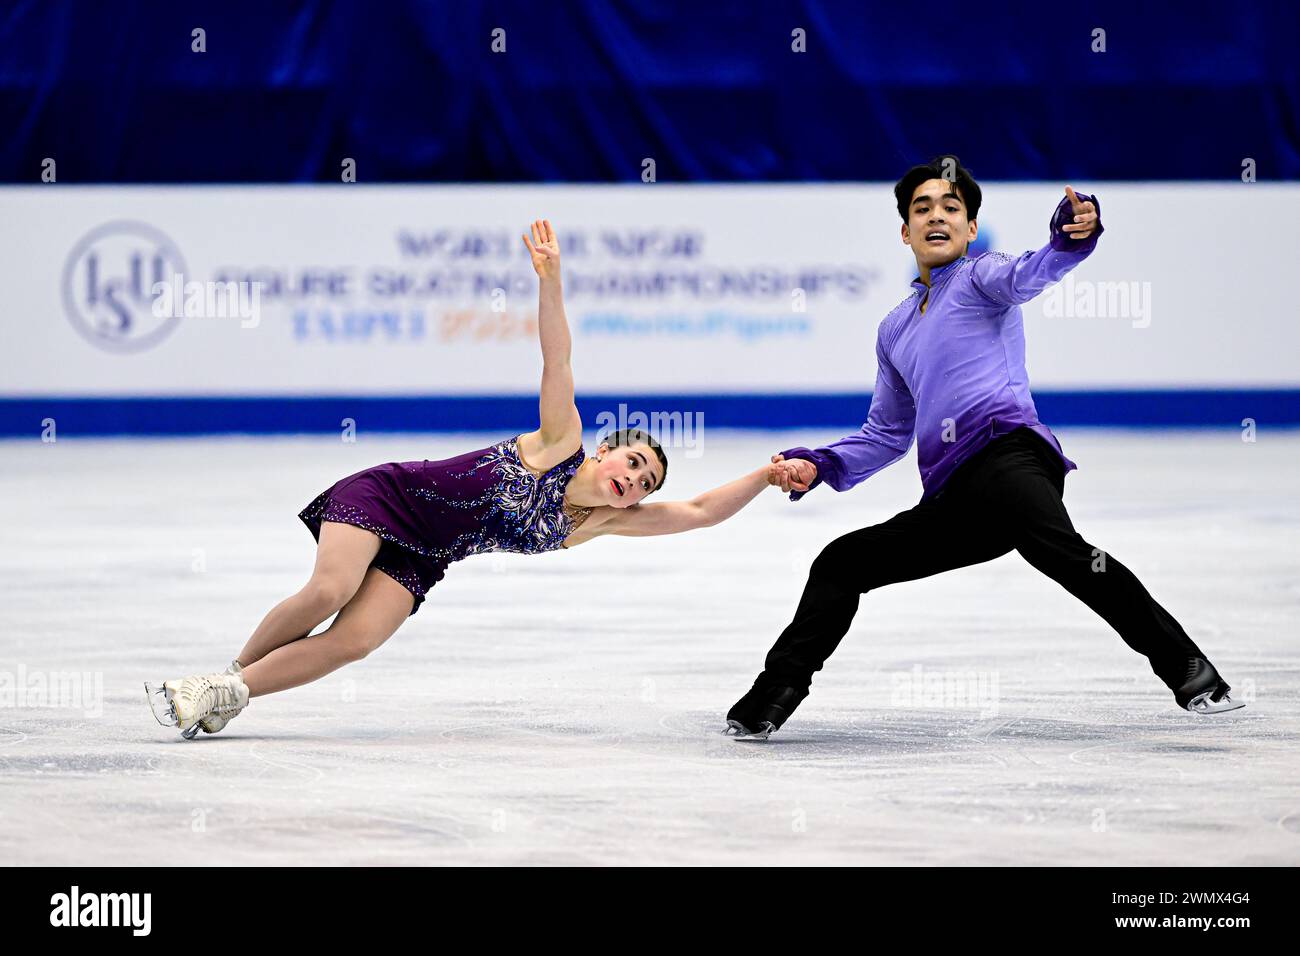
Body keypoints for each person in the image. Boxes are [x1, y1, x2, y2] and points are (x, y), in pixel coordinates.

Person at [146, 219, 784, 738]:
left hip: (431, 551)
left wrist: (764, 473)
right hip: (390, 495)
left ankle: (232, 692)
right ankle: (224, 678)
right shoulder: (561, 441)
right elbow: (556, 356)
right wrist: (551, 282)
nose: (636, 481)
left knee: (356, 642)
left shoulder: (606, 521)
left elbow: (700, 511)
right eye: (634, 462)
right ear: (606, 451)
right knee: (331, 589)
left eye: (648, 482)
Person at [726, 155, 1243, 739]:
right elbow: (887, 433)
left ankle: (1192, 673)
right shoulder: (894, 329)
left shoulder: (982, 277)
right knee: (841, 563)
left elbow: (1031, 273)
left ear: (971, 228)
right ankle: (769, 702)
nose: (937, 216)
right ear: (905, 231)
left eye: (952, 207)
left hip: (1010, 456)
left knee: (1065, 555)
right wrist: (818, 464)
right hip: (953, 499)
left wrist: (1072, 240)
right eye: (922, 209)